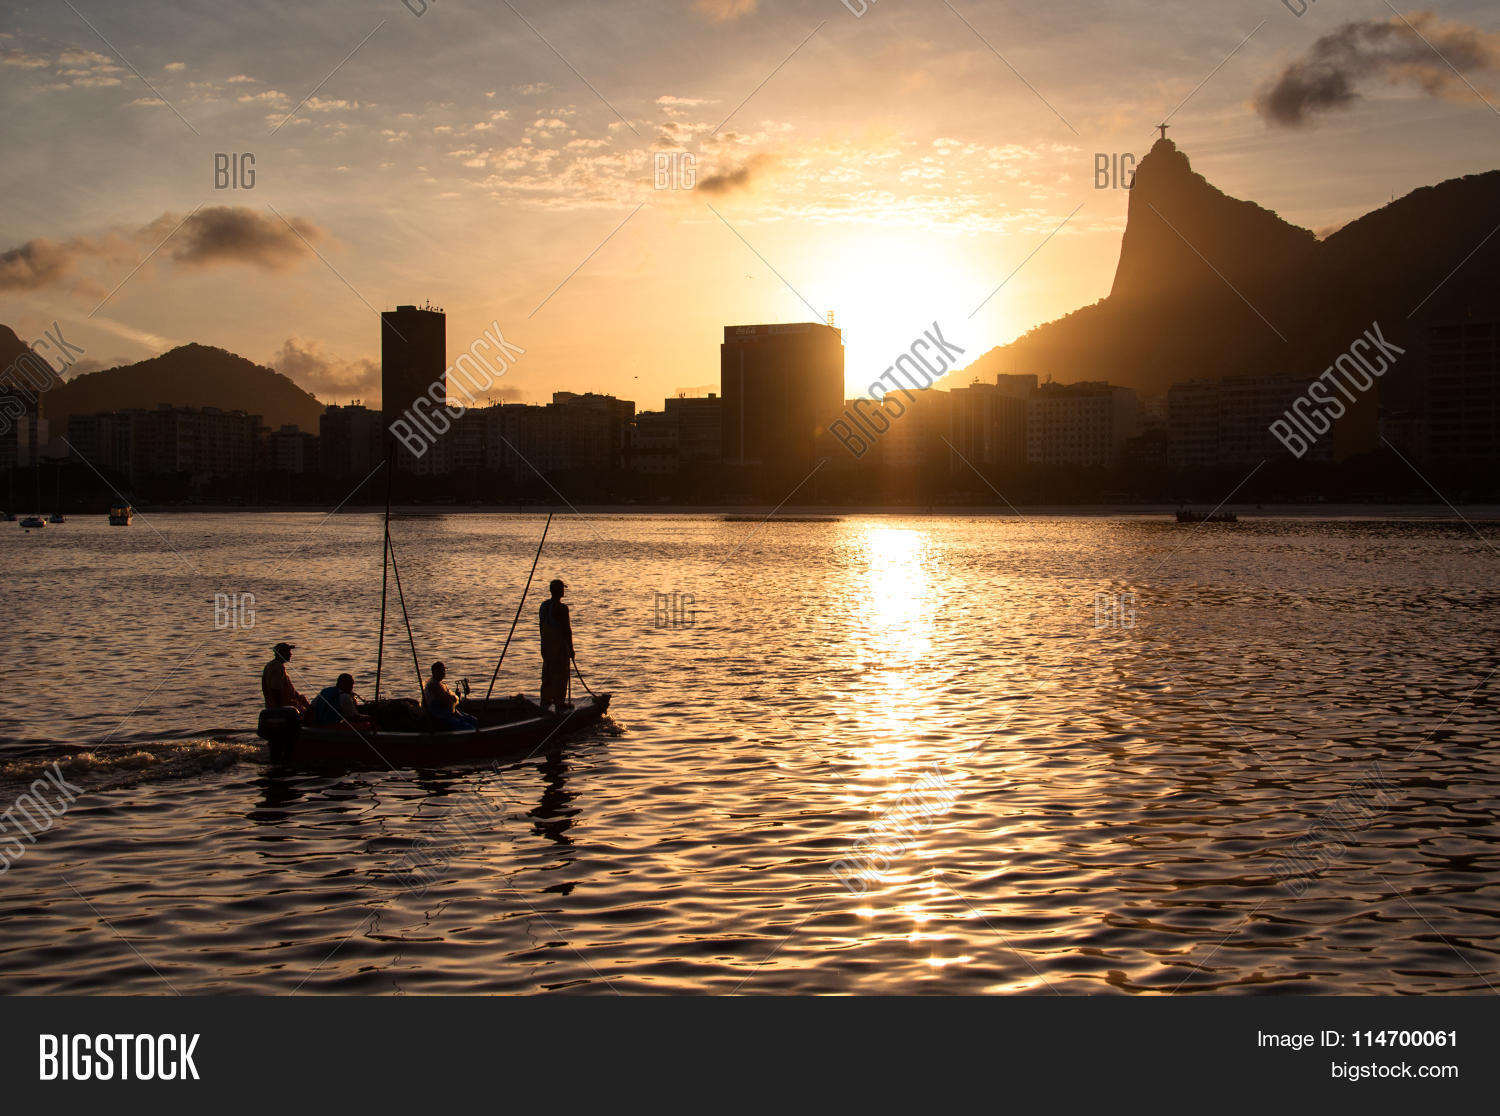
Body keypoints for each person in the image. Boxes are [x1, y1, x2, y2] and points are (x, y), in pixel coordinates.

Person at [538, 578, 574, 711]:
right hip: (558, 647)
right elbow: (567, 630)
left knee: (547, 672)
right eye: (562, 589)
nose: (563, 591)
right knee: (560, 674)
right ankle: (559, 702)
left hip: (546, 645)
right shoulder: (562, 608)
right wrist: (571, 649)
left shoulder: (543, 606)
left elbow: (541, 626)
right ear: (559, 591)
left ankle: (545, 700)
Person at [308, 673, 375, 732]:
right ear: (343, 684)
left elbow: (312, 706)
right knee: (366, 724)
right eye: (350, 684)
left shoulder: (325, 691)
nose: (352, 687)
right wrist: (369, 717)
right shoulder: (345, 696)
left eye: (352, 684)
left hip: (317, 725)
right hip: (332, 728)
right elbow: (354, 716)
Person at [423, 661, 477, 730]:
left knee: (473, 720)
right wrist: (454, 698)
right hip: (440, 716)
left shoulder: (440, 683)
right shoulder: (433, 685)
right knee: (467, 727)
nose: (443, 673)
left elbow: (448, 699)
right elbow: (446, 701)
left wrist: (455, 697)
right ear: (434, 672)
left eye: (443, 670)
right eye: (440, 671)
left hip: (448, 713)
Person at [262, 642, 309, 715]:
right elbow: (275, 690)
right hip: (282, 708)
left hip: (280, 706)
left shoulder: (271, 665)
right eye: (288, 652)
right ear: (282, 653)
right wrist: (279, 710)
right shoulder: (277, 667)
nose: (291, 654)